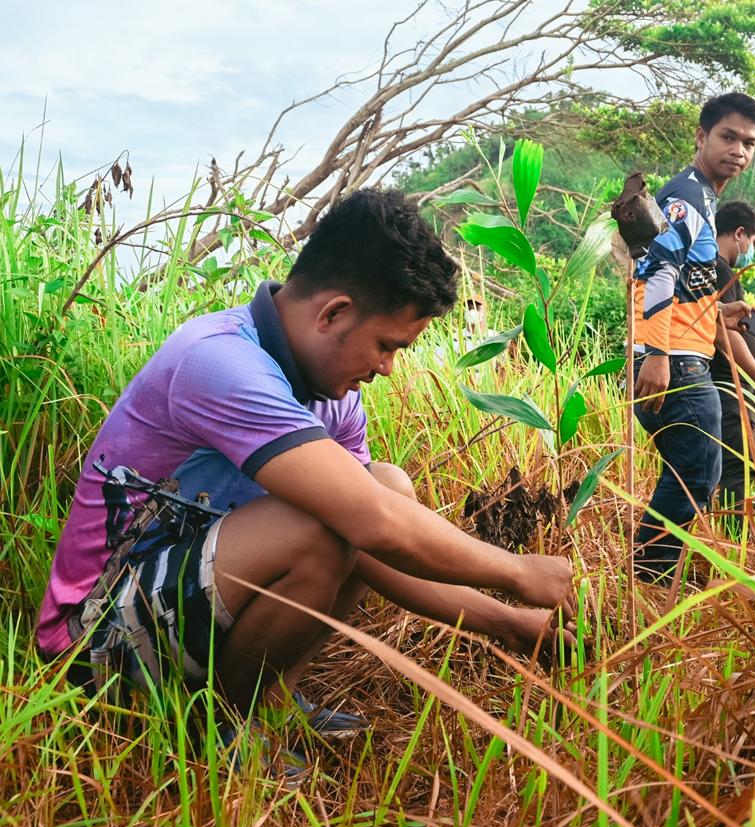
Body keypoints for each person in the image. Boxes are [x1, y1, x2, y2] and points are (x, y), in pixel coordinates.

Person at [37, 189, 575, 777]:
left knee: (386, 485)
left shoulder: (333, 399)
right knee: (331, 522)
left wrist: (511, 624)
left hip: (185, 606)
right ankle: (222, 730)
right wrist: (519, 573)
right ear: (334, 314)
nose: (389, 368)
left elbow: (377, 541)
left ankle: (269, 704)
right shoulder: (217, 361)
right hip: (94, 645)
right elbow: (369, 524)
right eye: (387, 346)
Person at [630, 92, 755, 584]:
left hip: (684, 351)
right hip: (677, 359)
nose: (739, 150)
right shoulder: (687, 196)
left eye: (748, 143)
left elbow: (685, 281)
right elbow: (659, 272)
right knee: (695, 474)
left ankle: (655, 579)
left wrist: (718, 310)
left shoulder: (705, 197)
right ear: (701, 136)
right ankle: (648, 581)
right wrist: (658, 354)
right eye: (728, 137)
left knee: (691, 473)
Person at [707, 201, 755, 518]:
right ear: (739, 234)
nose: (752, 250)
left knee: (724, 472)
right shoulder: (721, 269)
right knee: (738, 471)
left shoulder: (714, 269)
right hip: (730, 388)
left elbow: (736, 326)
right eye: (753, 243)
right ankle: (735, 552)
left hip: (725, 388)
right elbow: (725, 334)